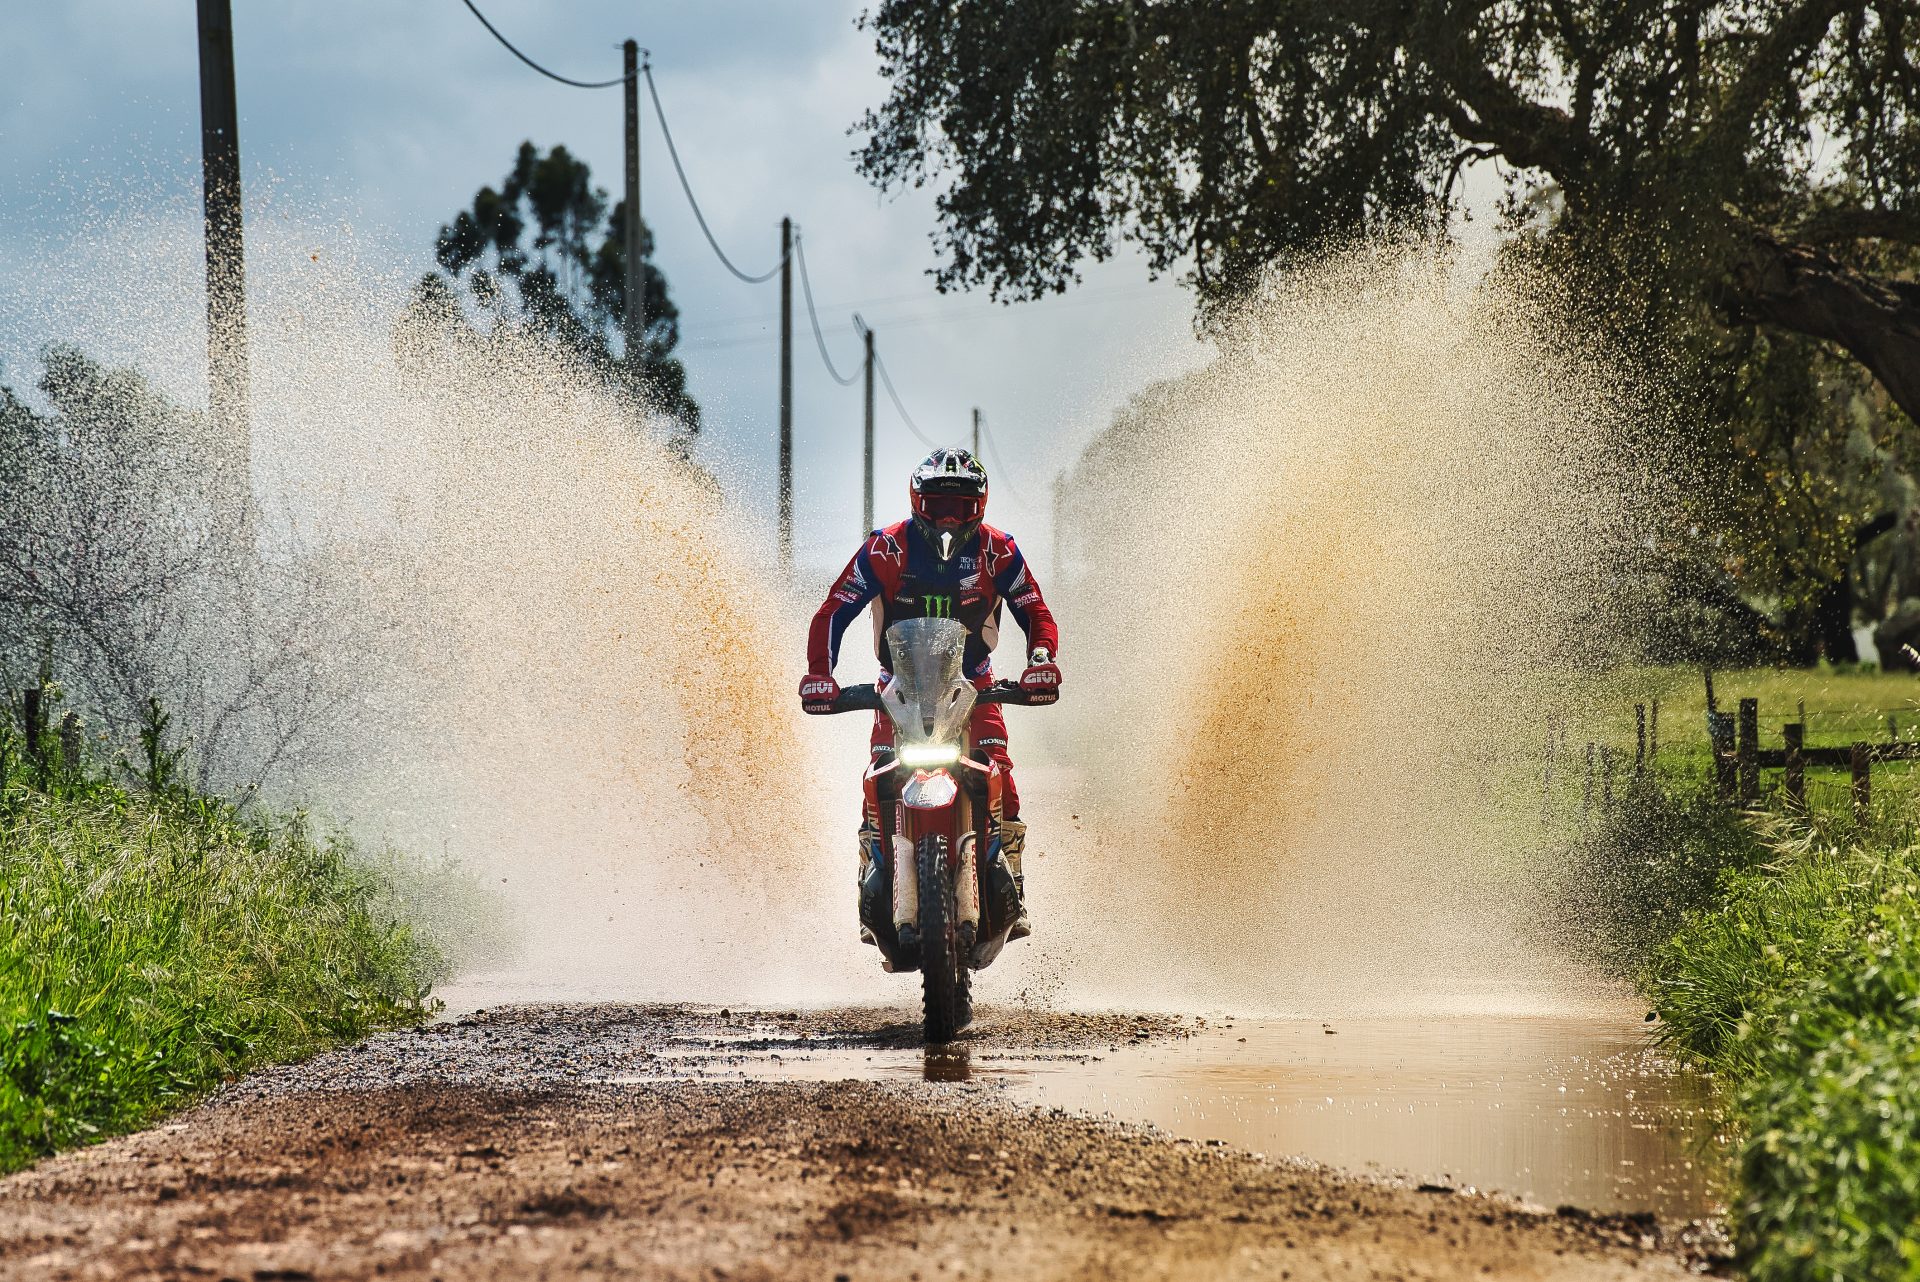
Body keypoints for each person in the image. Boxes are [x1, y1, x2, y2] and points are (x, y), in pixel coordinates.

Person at [799, 447, 1062, 942]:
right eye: (937, 504)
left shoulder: (998, 549)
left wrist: (1041, 660)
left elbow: (1035, 610)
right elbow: (833, 611)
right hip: (898, 687)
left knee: (1000, 768)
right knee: (877, 775)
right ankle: (870, 878)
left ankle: (1016, 885)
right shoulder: (886, 549)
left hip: (975, 683)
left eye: (959, 507)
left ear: (978, 507)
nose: (947, 517)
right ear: (916, 501)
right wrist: (820, 674)